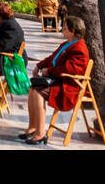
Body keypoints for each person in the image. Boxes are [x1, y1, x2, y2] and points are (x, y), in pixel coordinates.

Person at [19, 16, 90, 145]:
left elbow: (71, 69)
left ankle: (40, 134)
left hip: (69, 86)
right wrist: (39, 65)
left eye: (66, 28)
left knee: (38, 92)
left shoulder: (79, 48)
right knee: (32, 88)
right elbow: (52, 58)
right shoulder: (67, 44)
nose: (63, 30)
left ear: (73, 31)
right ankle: (33, 127)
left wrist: (49, 71)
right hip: (59, 80)